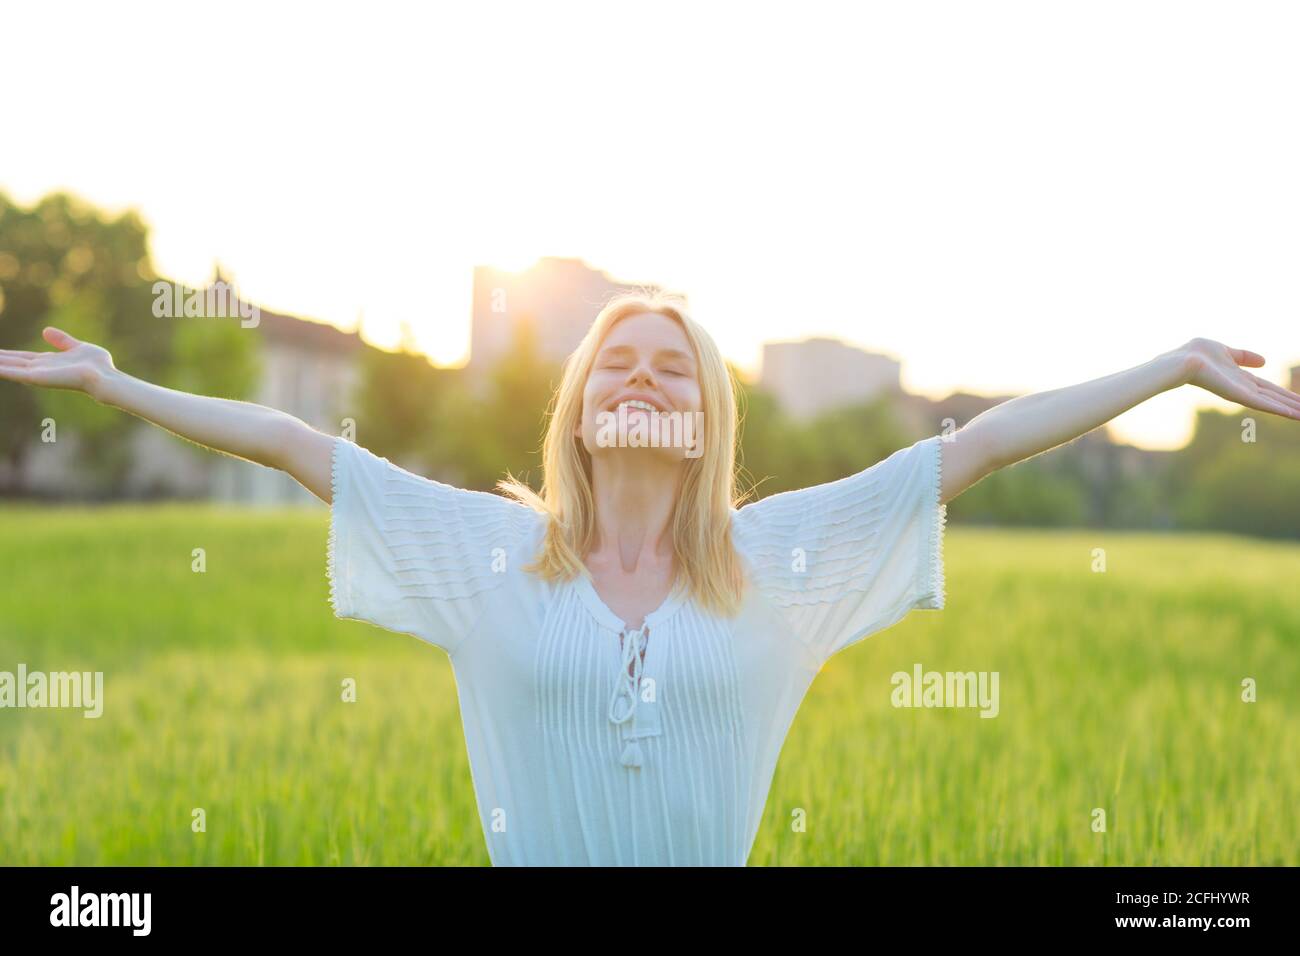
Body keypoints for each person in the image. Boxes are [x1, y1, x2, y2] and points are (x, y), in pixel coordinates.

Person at [3, 293, 1297, 865]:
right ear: (576, 410)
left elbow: (983, 443)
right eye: (614, 360)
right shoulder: (488, 555)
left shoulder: (781, 561)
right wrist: (115, 384)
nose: (640, 377)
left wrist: (1174, 364)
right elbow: (297, 442)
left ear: (710, 418)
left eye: (673, 365)